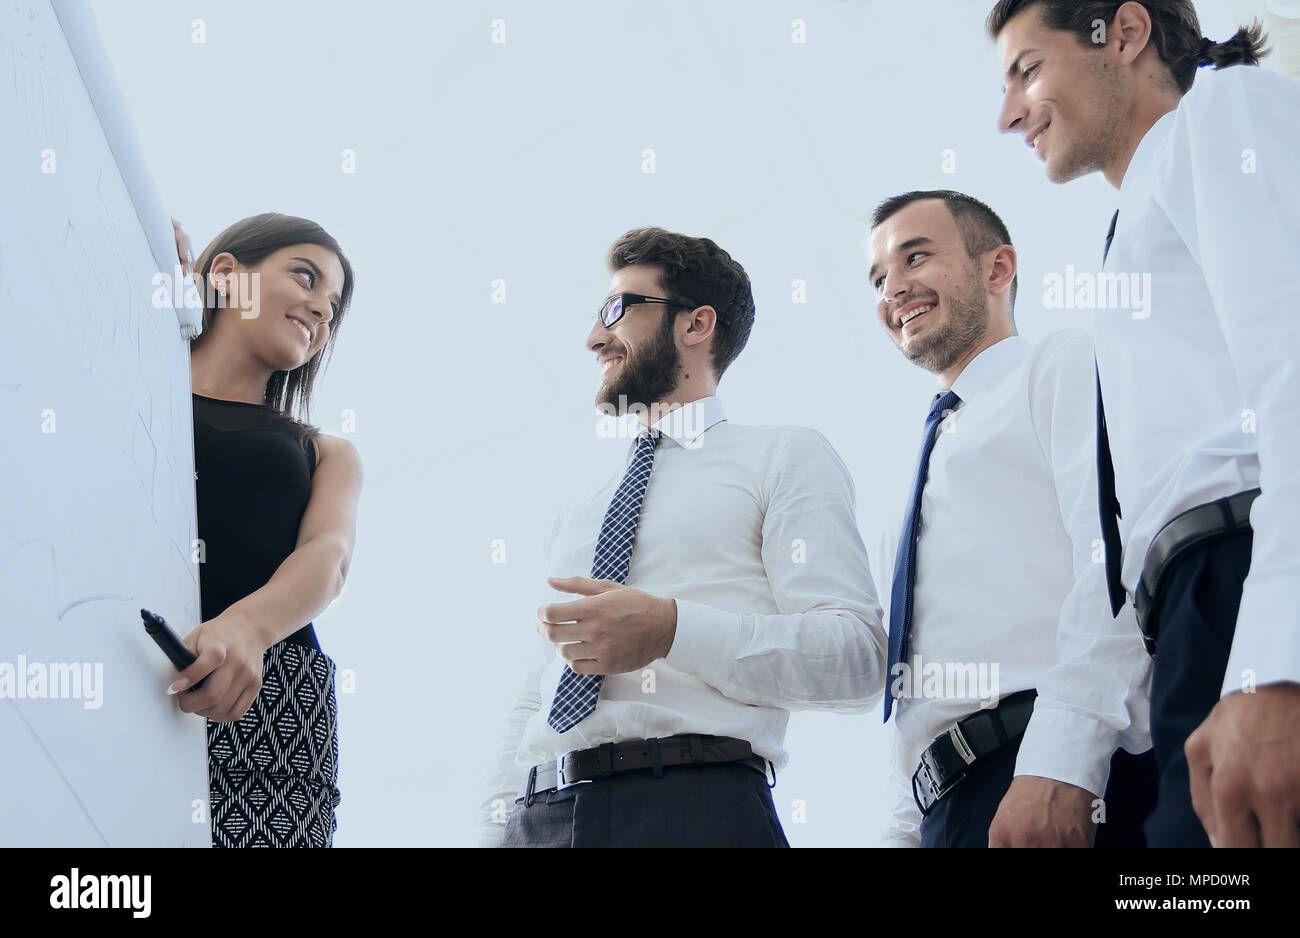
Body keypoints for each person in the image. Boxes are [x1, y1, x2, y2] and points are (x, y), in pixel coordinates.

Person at [989, 0, 1300, 847]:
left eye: (1026, 68)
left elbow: (1294, 374)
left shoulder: (1227, 115)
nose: (1008, 112)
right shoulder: (1132, 246)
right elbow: (1129, 543)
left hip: (1250, 589)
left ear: (1123, 34)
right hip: (1192, 634)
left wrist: (1278, 666)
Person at [478, 227, 887, 847]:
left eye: (617, 310)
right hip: (540, 821)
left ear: (696, 325)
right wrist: (495, 828)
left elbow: (856, 661)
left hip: (696, 809)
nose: (594, 339)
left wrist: (674, 629)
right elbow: (532, 696)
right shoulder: (578, 512)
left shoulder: (785, 456)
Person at [869, 190, 1154, 848]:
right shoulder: (908, 488)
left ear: (997, 269)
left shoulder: (1061, 365)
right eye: (879, 277)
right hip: (947, 809)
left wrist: (1062, 760)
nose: (895, 287)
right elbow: (914, 689)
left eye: (917, 257)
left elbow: (1113, 565)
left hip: (1047, 773)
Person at [170, 213, 362, 847]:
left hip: (272, 700)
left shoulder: (325, 452)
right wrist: (130, 249)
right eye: (304, 277)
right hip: (123, 661)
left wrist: (247, 629)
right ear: (226, 274)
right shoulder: (128, 387)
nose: (320, 309)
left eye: (332, 305)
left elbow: (328, 557)